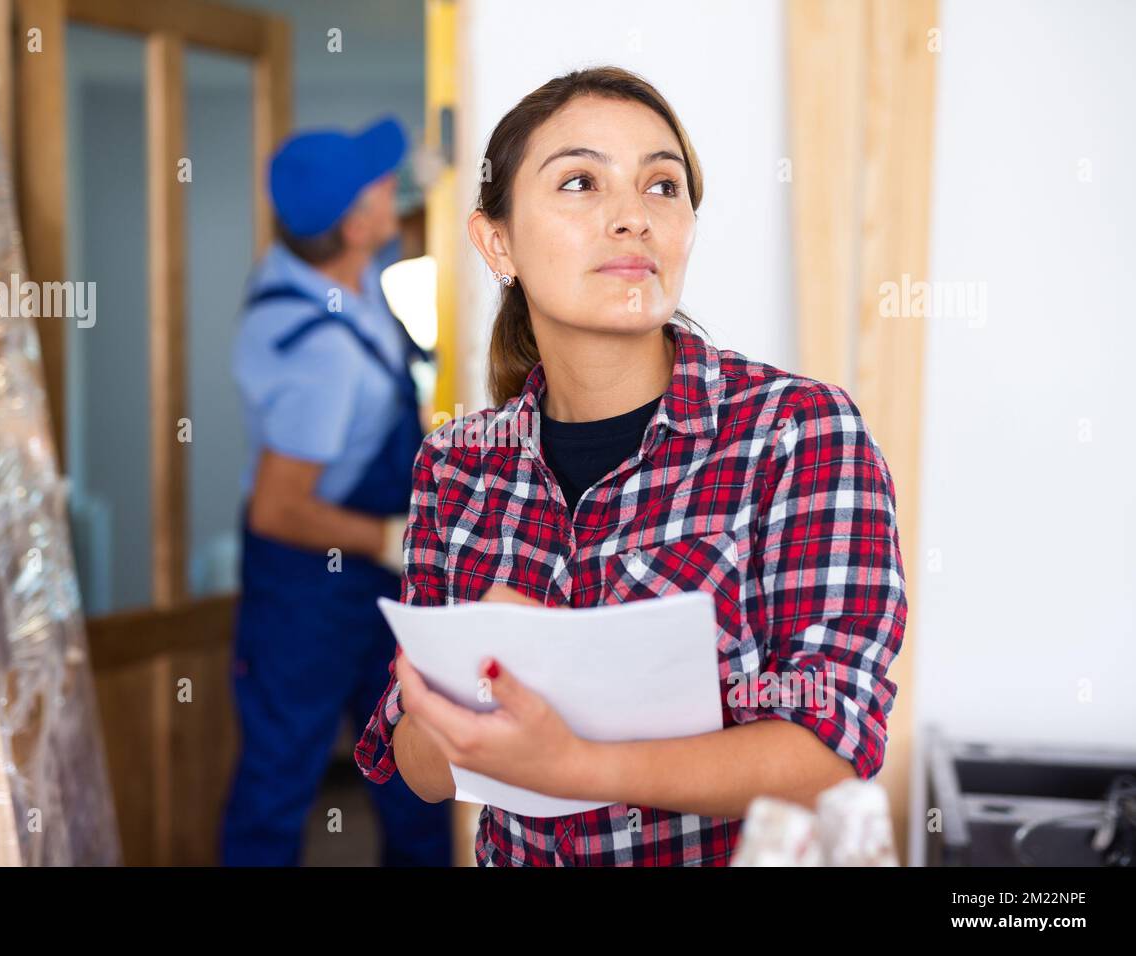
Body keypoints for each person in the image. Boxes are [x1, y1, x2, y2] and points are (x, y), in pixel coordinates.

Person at [353, 67, 907, 866]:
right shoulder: (458, 462)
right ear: (496, 241)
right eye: (581, 181)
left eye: (662, 185)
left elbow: (832, 745)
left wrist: (577, 761)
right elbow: (416, 764)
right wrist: (479, 688)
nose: (632, 219)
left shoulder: (797, 432)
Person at [221, 114, 452, 866]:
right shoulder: (318, 353)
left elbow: (399, 222)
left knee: (415, 772)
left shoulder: (326, 276)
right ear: (356, 223)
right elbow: (278, 507)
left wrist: (436, 172)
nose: (393, 192)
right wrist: (393, 539)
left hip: (368, 579)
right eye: (380, 187)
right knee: (280, 780)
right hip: (308, 588)